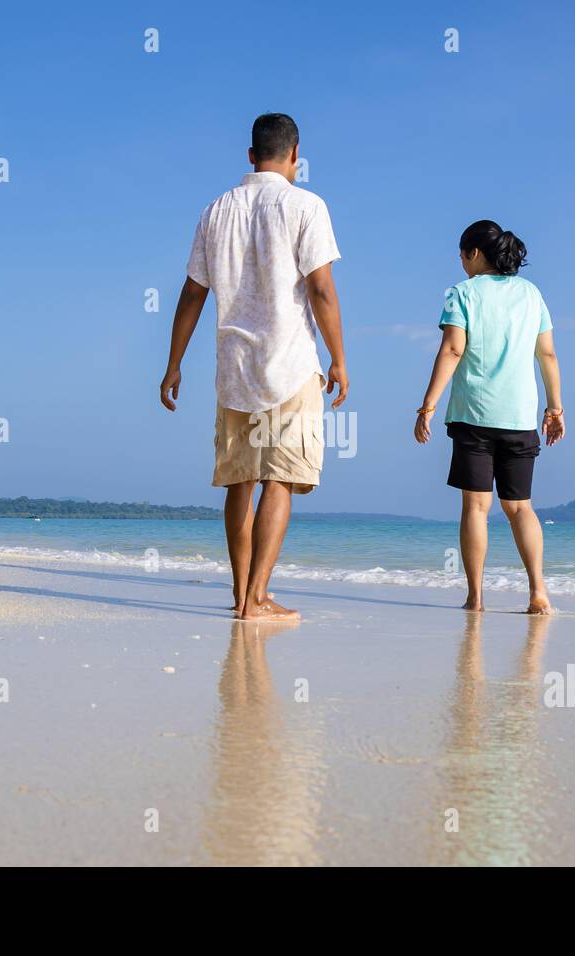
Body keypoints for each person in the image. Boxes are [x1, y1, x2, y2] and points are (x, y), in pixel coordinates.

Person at [160, 113, 348, 621]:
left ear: (249, 156)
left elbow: (191, 294)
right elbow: (322, 289)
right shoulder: (306, 204)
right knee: (279, 481)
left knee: (240, 482)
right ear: (295, 155)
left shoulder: (215, 210)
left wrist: (173, 364)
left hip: (234, 371)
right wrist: (339, 358)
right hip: (288, 364)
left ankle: (241, 595)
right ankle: (259, 598)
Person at [414, 220, 564, 614]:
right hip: (520, 417)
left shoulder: (461, 293)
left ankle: (476, 598)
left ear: (474, 254)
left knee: (476, 508)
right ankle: (538, 593)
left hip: (474, 416)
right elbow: (546, 354)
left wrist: (427, 405)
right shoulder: (532, 294)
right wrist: (555, 407)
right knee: (520, 508)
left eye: (462, 255)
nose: (461, 263)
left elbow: (451, 350)